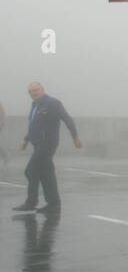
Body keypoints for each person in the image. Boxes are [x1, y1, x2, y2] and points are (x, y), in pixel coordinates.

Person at [13, 83, 81, 214]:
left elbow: (67, 119)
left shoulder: (52, 103)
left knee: (31, 171)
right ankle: (54, 204)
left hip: (47, 143)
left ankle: (31, 202)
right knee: (46, 174)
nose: (33, 93)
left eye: (35, 90)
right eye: (30, 92)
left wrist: (75, 136)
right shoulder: (35, 104)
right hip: (37, 144)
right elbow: (34, 125)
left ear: (42, 90)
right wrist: (25, 140)